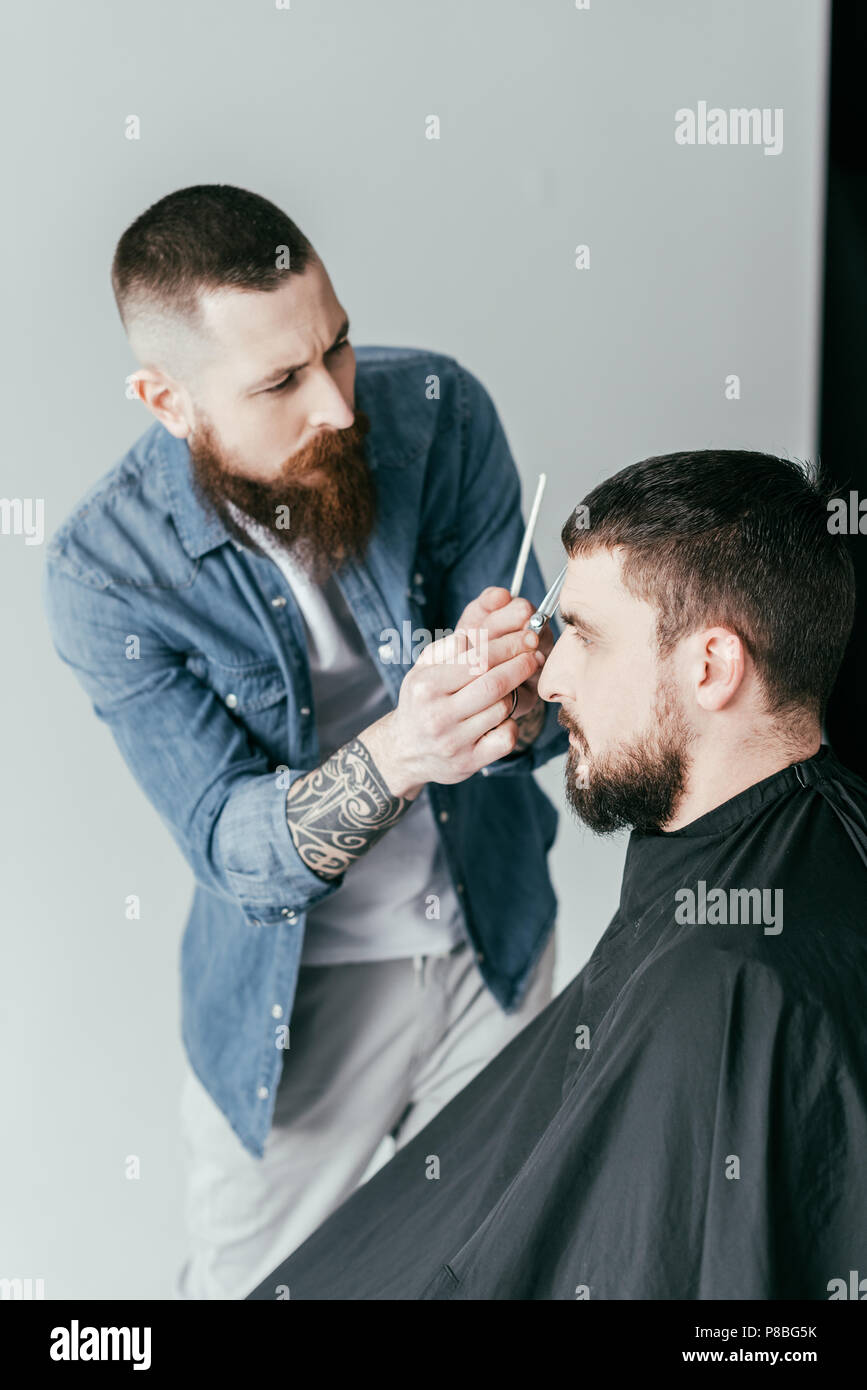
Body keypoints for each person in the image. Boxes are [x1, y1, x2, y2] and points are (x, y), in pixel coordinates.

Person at [40, 184, 569, 1300]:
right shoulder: (104, 569)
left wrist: (518, 682)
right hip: (294, 1016)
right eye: (279, 381)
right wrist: (403, 750)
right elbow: (229, 844)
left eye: (335, 345)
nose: (336, 404)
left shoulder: (436, 408)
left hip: (491, 942)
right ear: (166, 400)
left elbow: (550, 717)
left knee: (510, 1272)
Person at [247, 448, 867, 1301]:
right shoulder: (824, 845)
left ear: (711, 668)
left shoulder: (722, 985)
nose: (548, 674)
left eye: (582, 634)